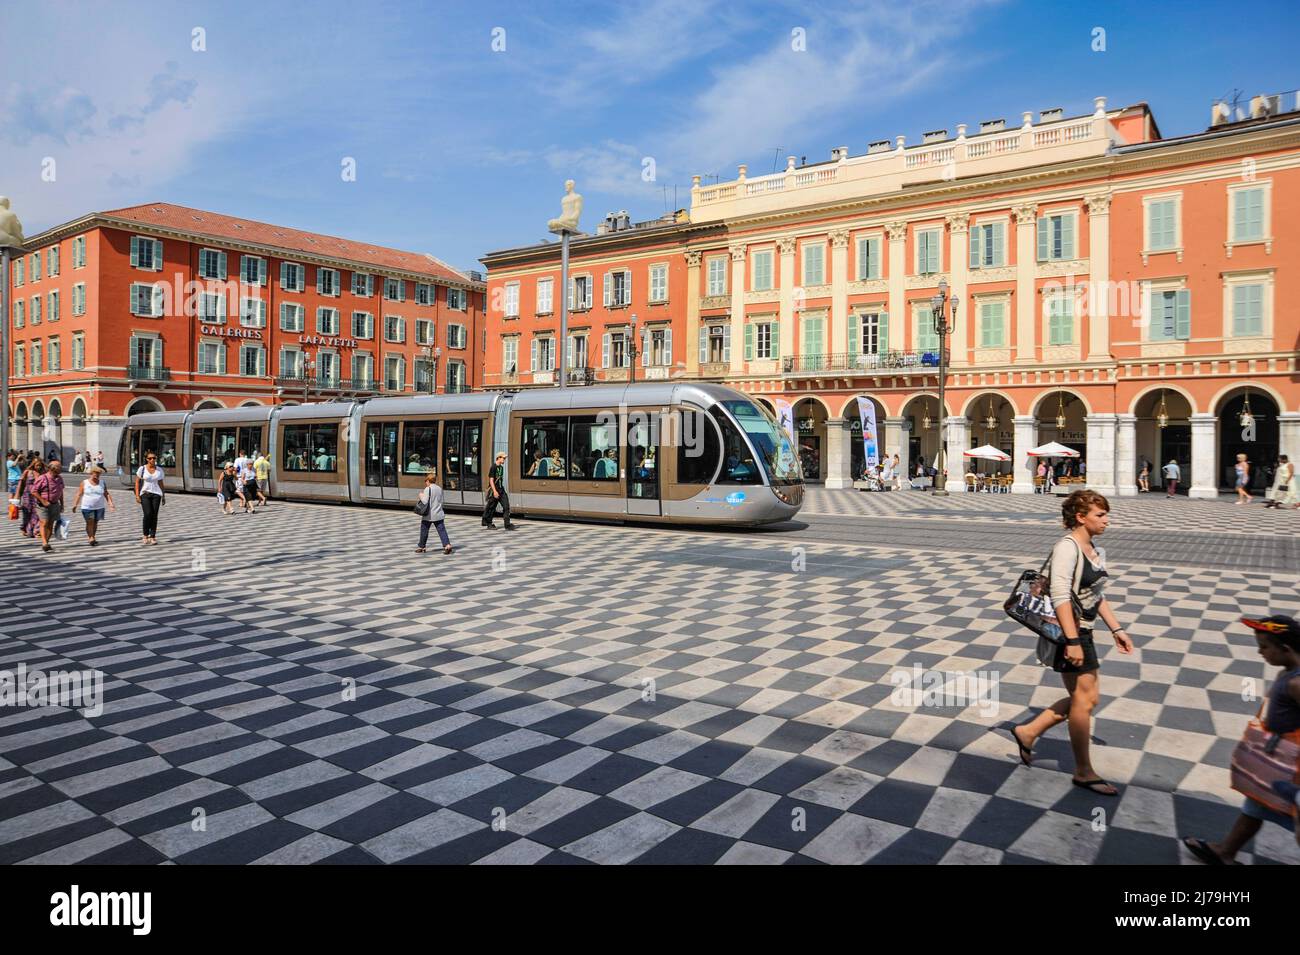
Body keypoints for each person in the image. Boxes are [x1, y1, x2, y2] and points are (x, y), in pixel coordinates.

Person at [1007, 490, 1135, 796]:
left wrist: (1117, 628)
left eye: (1106, 515)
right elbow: (1062, 596)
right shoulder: (1068, 548)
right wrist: (1073, 640)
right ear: (1080, 517)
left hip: (1083, 629)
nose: (1106, 521)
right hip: (1072, 632)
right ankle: (1083, 771)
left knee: (1085, 699)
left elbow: (1095, 595)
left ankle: (1028, 731)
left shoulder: (1093, 548)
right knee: (1085, 700)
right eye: (1100, 515)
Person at [1182, 615, 1300, 865]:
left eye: (1265, 647)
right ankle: (1226, 852)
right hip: (1278, 761)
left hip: (1293, 766)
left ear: (1286, 649)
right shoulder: (1288, 674)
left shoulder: (1296, 683)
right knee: (1255, 804)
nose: (1260, 652)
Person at [72, 466, 115, 546]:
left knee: (95, 522)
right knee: (90, 522)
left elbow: (106, 493)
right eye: (95, 474)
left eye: (98, 474)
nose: (97, 476)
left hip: (99, 507)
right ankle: (91, 538)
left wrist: (110, 504)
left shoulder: (102, 483)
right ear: (91, 474)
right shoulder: (85, 483)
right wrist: (75, 504)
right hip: (87, 507)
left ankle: (93, 536)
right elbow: (79, 494)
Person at [30, 458, 66, 553]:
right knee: (44, 522)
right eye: (59, 467)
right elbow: (33, 491)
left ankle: (47, 542)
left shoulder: (60, 478)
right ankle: (44, 543)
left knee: (50, 524)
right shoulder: (43, 478)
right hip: (42, 505)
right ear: (53, 468)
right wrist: (43, 500)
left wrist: (62, 504)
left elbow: (60, 492)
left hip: (54, 504)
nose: (61, 468)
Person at [415, 469, 453, 554]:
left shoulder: (428, 489)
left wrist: (420, 495)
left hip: (429, 515)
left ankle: (422, 546)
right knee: (442, 530)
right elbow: (440, 501)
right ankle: (447, 545)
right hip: (439, 513)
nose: (426, 483)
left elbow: (424, 501)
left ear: (428, 480)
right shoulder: (439, 488)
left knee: (424, 530)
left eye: (426, 481)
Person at [134, 450, 165, 544]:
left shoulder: (159, 470)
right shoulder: (142, 469)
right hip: (145, 494)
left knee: (154, 515)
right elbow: (137, 482)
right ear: (147, 459)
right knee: (147, 514)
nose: (152, 460)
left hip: (157, 494)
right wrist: (137, 495)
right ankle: (145, 535)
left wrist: (163, 495)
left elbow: (160, 483)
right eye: (150, 458)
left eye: (154, 458)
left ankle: (153, 536)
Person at [482, 451, 514, 529]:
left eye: (505, 458)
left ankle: (507, 524)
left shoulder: (501, 467)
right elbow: (491, 480)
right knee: (491, 507)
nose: (504, 460)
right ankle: (489, 523)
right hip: (494, 490)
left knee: (506, 506)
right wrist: (495, 491)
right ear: (499, 458)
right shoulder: (493, 467)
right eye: (503, 458)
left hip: (501, 490)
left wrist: (499, 490)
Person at [18, 456, 45, 539]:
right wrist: (17, 496)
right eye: (37, 465)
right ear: (33, 465)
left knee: (36, 514)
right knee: (26, 513)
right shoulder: (27, 472)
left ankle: (35, 531)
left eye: (40, 465)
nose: (39, 467)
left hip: (37, 496)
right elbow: (21, 484)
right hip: (27, 496)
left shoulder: (43, 472)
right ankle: (24, 528)